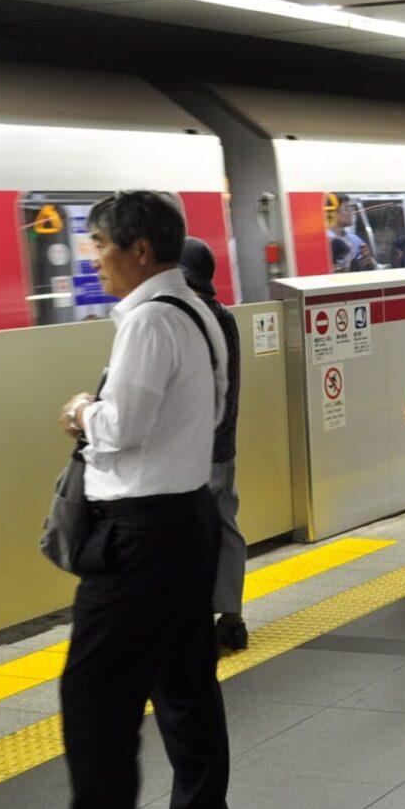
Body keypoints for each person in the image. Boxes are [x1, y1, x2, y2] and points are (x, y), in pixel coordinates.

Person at [12, 191, 233, 809]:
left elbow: (124, 427)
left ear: (140, 250)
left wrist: (81, 412)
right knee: (183, 682)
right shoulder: (199, 313)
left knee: (95, 692)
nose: (93, 257)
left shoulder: (146, 323)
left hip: (141, 533)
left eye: (100, 244)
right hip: (188, 518)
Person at [178, 238, 247, 655]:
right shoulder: (225, 316)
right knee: (225, 530)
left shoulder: (190, 320)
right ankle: (232, 620)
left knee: (191, 539)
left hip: (194, 452)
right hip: (224, 446)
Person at [327, 199, 374, 272]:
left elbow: (369, 267)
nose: (351, 213)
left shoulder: (354, 239)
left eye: (350, 209)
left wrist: (368, 261)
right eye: (346, 208)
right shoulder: (325, 240)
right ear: (333, 214)